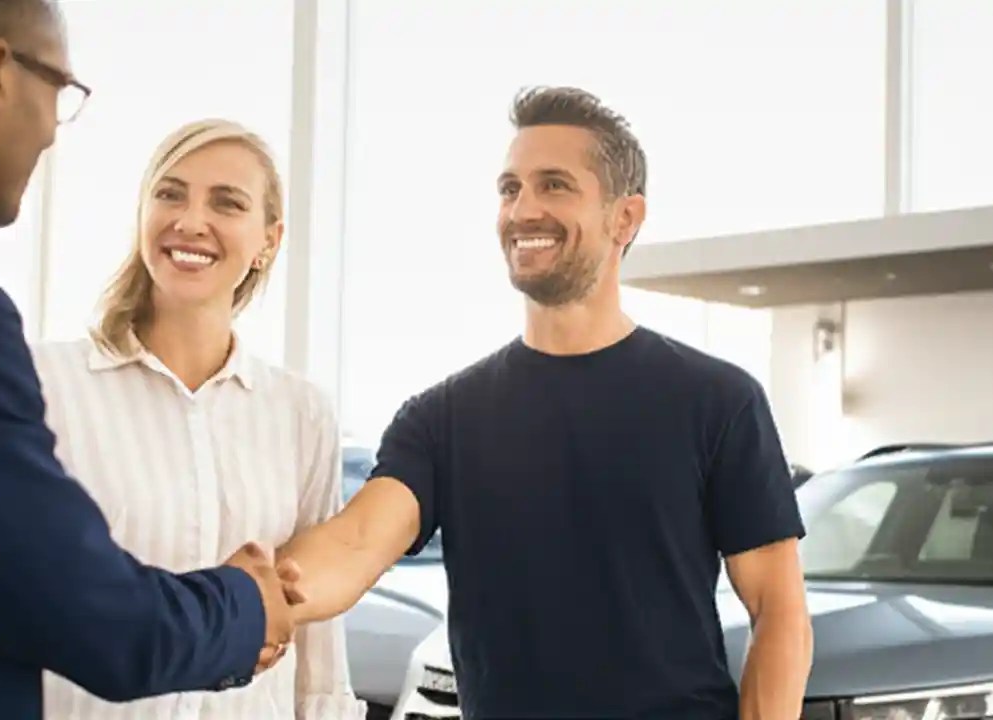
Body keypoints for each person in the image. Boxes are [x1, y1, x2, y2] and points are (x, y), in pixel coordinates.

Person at [277, 86, 814, 719]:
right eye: (510, 189)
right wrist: (239, 597)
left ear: (626, 217)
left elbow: (778, 612)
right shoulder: (443, 418)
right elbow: (355, 544)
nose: (523, 209)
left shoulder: (718, 401)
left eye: (554, 185)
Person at [0, 2, 296, 717]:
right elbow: (89, 615)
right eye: (60, 89)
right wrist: (244, 604)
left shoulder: (296, 409)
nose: (53, 133)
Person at [32, 118, 365, 719]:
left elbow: (317, 639)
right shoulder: (46, 385)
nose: (190, 221)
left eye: (227, 203)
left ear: (269, 239)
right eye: (170, 193)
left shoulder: (300, 411)